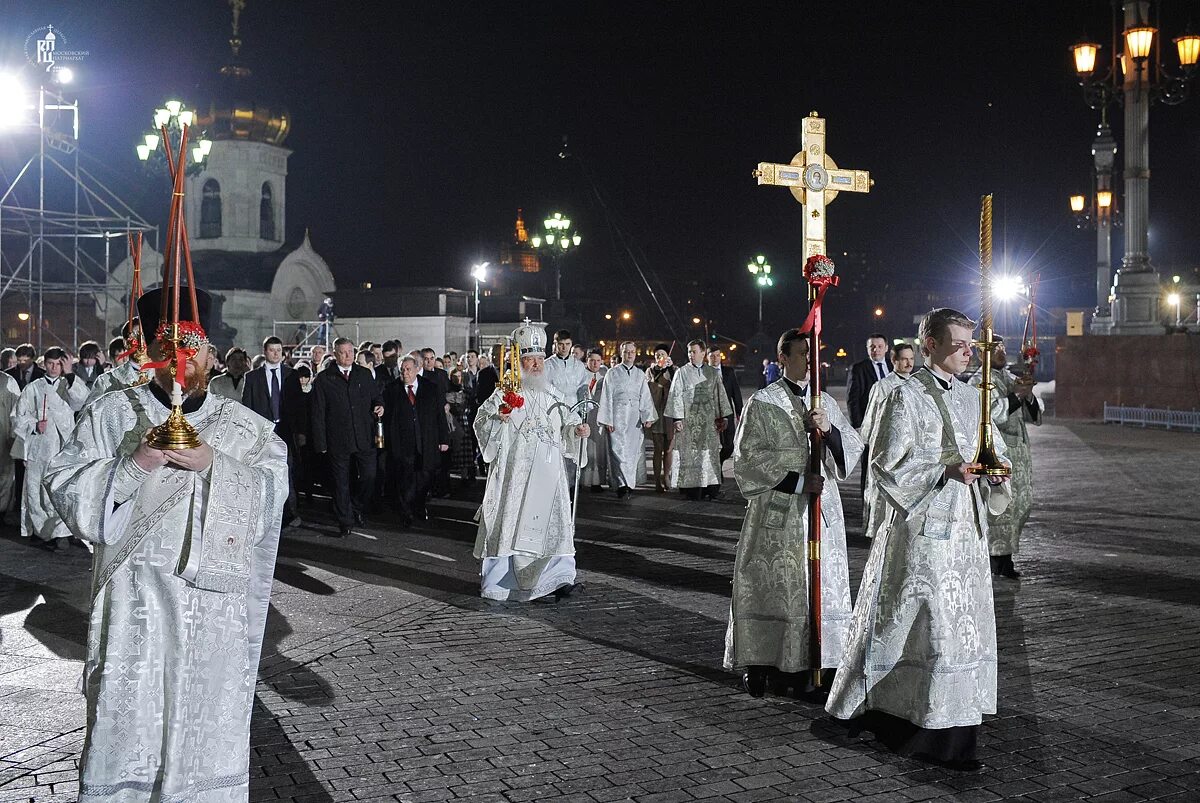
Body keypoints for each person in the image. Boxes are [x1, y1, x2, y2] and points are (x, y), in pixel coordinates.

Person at [44, 286, 287, 802]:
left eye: (193, 349)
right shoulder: (113, 415)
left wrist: (215, 463)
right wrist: (135, 464)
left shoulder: (245, 429)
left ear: (210, 357)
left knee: (202, 719)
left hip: (211, 607)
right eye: (170, 350)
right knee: (130, 716)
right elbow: (63, 484)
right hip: (135, 605)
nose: (182, 362)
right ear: (151, 356)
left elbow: (270, 499)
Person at [826, 308, 1011, 771]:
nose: (969, 353)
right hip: (921, 532)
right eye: (960, 344)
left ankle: (956, 718)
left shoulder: (974, 399)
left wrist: (996, 471)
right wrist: (943, 471)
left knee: (959, 629)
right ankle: (909, 718)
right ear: (930, 344)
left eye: (972, 345)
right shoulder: (904, 396)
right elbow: (885, 465)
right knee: (924, 627)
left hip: (966, 537)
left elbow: (996, 451)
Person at [725, 328, 863, 698]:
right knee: (773, 588)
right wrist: (799, 482)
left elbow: (851, 445)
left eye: (814, 354)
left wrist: (828, 430)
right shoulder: (763, 402)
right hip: (778, 513)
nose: (810, 362)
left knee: (821, 588)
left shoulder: (826, 402)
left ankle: (823, 662)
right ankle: (761, 663)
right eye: (802, 354)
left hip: (821, 514)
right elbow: (748, 459)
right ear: (783, 358)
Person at [473, 320, 589, 602]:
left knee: (555, 524)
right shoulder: (505, 393)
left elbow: (568, 423)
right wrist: (499, 419)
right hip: (515, 476)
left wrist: (576, 431)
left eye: (539, 359)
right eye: (529, 359)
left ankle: (559, 579)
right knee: (508, 523)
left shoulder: (554, 393)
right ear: (519, 361)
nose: (536, 365)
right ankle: (499, 583)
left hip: (549, 476)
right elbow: (481, 421)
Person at [970, 337, 1041, 579]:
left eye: (1002, 348)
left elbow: (1034, 415)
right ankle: (993, 560)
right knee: (998, 507)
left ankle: (1005, 558)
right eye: (995, 349)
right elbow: (990, 414)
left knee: (1019, 506)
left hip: (1020, 455)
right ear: (982, 354)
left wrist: (1027, 394)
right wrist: (1016, 396)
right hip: (999, 455)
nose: (1001, 352)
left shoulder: (1010, 379)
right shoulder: (978, 381)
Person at [13, 347, 88, 548]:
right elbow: (19, 416)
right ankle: (42, 530)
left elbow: (81, 402)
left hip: (64, 446)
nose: (54, 368)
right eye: (50, 364)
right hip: (40, 446)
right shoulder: (33, 388)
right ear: (43, 363)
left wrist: (70, 373)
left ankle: (62, 530)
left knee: (61, 487)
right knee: (37, 489)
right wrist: (34, 424)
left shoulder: (68, 384)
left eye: (58, 364)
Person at [311, 337, 384, 536]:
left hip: (364, 436)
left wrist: (380, 405)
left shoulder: (364, 374)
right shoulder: (325, 379)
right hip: (338, 439)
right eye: (343, 352)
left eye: (351, 352)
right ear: (335, 354)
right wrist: (321, 443)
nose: (348, 356)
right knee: (340, 482)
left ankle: (356, 506)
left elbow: (376, 396)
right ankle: (345, 520)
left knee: (369, 475)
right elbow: (318, 413)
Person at [382, 355, 449, 525]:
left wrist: (444, 439)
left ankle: (419, 505)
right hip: (403, 444)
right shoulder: (391, 390)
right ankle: (406, 512)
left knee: (425, 477)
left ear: (417, 369)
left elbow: (440, 415)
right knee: (405, 479)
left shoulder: (431, 388)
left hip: (426, 441)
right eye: (402, 369)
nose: (405, 373)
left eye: (408, 369)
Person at [860, 342, 916, 537]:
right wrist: (867, 442)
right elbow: (871, 418)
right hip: (885, 446)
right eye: (904, 359)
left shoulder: (917, 385)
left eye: (911, 359)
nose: (909, 363)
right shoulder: (883, 386)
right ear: (894, 360)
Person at [241, 336, 299, 526]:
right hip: (263, 431)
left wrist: (300, 432)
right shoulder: (252, 377)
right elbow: (247, 407)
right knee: (264, 471)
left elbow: (299, 407)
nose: (276, 354)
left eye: (279, 350)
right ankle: (265, 512)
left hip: (285, 430)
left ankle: (289, 513)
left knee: (286, 471)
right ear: (265, 351)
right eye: (272, 350)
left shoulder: (291, 375)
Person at [664, 339, 732, 500]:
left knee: (709, 455)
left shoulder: (712, 373)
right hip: (689, 422)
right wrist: (677, 418)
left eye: (694, 351)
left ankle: (711, 488)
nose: (691, 355)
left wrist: (723, 418)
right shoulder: (682, 372)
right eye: (689, 352)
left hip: (709, 422)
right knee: (691, 455)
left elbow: (719, 396)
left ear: (703, 353)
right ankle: (692, 490)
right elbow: (676, 395)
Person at [598, 341, 657, 498]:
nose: (629, 354)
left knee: (632, 451)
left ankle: (629, 484)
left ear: (635, 353)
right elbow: (606, 396)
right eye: (626, 352)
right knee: (618, 451)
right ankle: (620, 484)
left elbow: (645, 396)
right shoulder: (612, 373)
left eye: (632, 352)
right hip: (617, 415)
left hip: (634, 418)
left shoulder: (639, 374)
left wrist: (647, 416)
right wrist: (608, 419)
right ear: (621, 353)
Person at [846, 333, 893, 498]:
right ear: (867, 349)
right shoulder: (859, 368)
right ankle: (866, 500)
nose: (876, 350)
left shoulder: (893, 366)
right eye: (872, 347)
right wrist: (858, 426)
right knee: (867, 466)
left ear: (886, 348)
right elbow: (853, 399)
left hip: (891, 425)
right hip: (869, 426)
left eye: (880, 346)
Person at [645, 345, 675, 493]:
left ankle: (666, 476)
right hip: (656, 413)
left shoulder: (674, 370)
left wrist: (669, 370)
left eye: (662, 354)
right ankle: (657, 480)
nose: (659, 357)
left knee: (669, 449)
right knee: (658, 449)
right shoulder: (650, 371)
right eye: (657, 355)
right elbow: (649, 389)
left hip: (670, 413)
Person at [579, 349, 610, 492]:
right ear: (587, 361)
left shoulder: (605, 375)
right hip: (585, 415)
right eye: (592, 360)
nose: (595, 363)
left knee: (598, 449)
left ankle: (597, 481)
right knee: (585, 447)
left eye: (598, 361)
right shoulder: (581, 375)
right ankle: (583, 479)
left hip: (599, 414)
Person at [708, 348, 744, 470]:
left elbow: (736, 392)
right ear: (707, 358)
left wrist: (739, 411)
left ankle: (718, 463)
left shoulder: (728, 372)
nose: (715, 358)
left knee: (729, 446)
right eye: (712, 356)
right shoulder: (702, 373)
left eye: (718, 355)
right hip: (709, 414)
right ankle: (713, 473)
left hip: (726, 413)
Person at [0, 369, 20, 525]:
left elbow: (16, 410)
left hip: (4, 435)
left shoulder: (8, 381)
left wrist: (14, 435)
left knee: (5, 474)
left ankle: (1, 511)